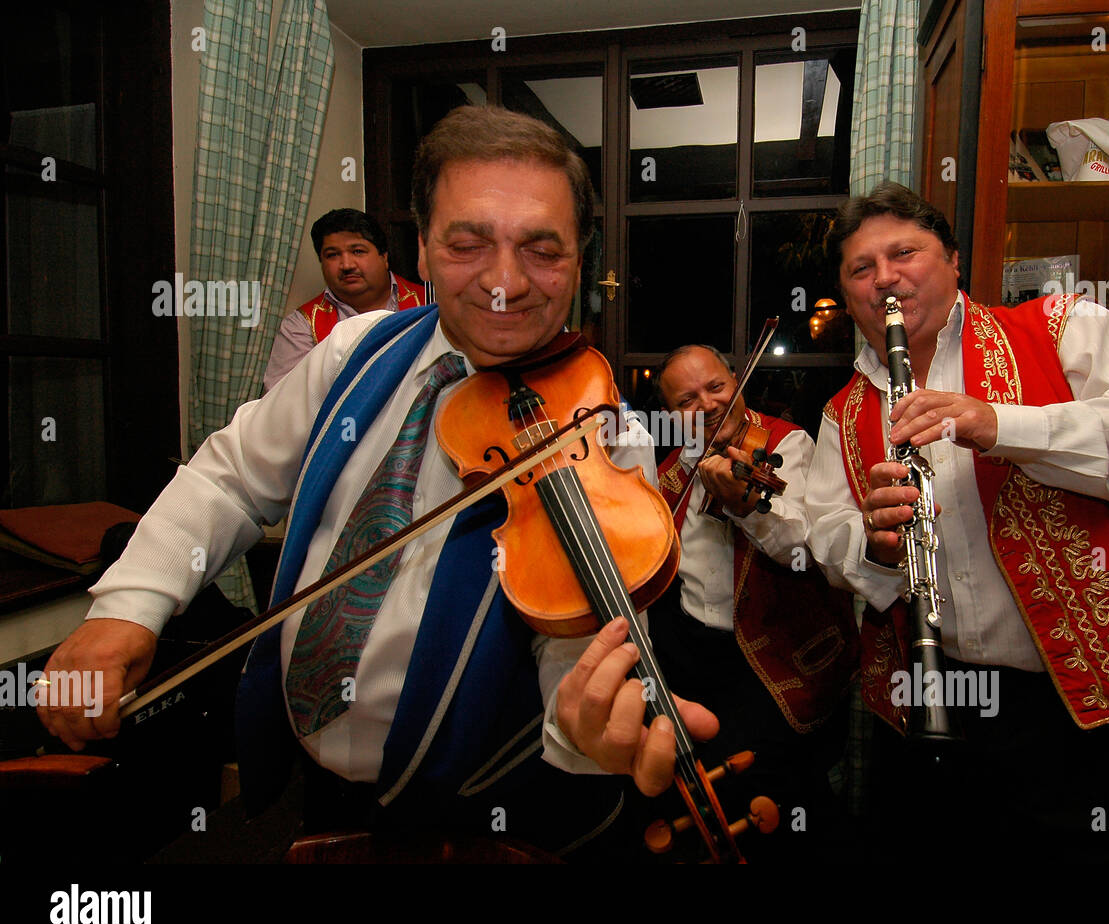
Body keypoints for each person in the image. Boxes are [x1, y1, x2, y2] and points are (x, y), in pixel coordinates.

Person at [37, 106, 713, 858]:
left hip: (477, 821)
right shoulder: (357, 348)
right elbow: (231, 478)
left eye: (541, 248)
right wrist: (127, 608)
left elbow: (579, 654)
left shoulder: (607, 438)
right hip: (303, 785)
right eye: (468, 243)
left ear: (580, 258)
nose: (504, 282)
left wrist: (585, 727)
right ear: (422, 250)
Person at [805, 181, 1109, 862]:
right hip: (941, 712)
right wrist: (873, 546)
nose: (885, 280)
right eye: (861, 269)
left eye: (903, 253)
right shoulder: (842, 413)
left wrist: (1004, 425)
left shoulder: (1060, 327)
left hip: (1093, 718)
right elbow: (826, 540)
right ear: (848, 297)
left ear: (955, 261)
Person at [648, 344, 857, 859]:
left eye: (716, 387)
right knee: (694, 766)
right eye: (687, 400)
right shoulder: (672, 467)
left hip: (773, 647)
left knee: (772, 783)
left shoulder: (791, 444)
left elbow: (803, 547)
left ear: (738, 380)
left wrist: (748, 507)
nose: (709, 404)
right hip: (694, 648)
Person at [262, 208, 426, 391]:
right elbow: (284, 401)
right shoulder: (302, 326)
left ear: (384, 257)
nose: (346, 265)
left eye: (357, 251)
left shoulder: (430, 302)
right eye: (332, 255)